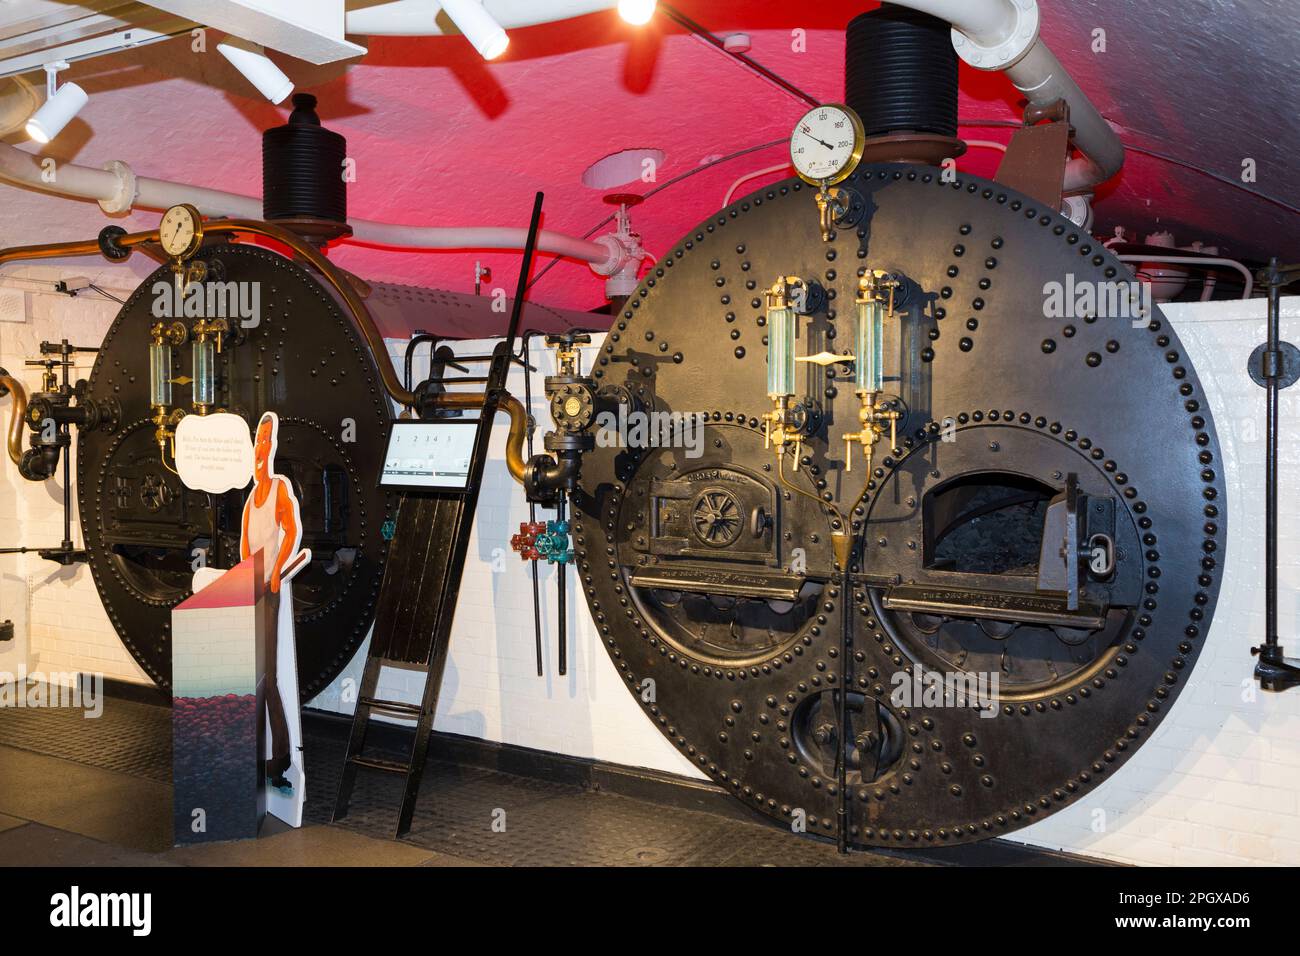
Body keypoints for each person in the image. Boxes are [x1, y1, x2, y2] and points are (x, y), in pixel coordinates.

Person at [240, 412, 308, 792]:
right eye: (258, 441)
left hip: (270, 592)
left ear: (273, 445)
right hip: (250, 592)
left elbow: (292, 530)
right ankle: (255, 759)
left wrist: (277, 570)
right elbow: (246, 550)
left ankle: (279, 760)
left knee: (268, 679)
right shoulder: (251, 499)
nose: (261, 447)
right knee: (255, 678)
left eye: (266, 440)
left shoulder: (280, 488)